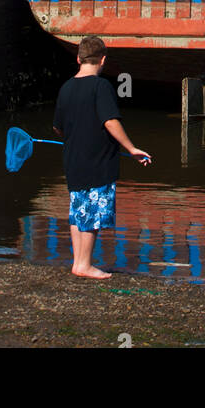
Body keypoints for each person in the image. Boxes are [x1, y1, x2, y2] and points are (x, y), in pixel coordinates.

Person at [53, 35, 151, 279]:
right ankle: (85, 265)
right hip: (97, 160)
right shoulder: (101, 87)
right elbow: (110, 120)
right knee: (93, 210)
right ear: (103, 60)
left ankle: (79, 262)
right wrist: (131, 148)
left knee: (78, 209)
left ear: (78, 58)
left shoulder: (66, 88)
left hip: (72, 159)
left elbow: (58, 127)